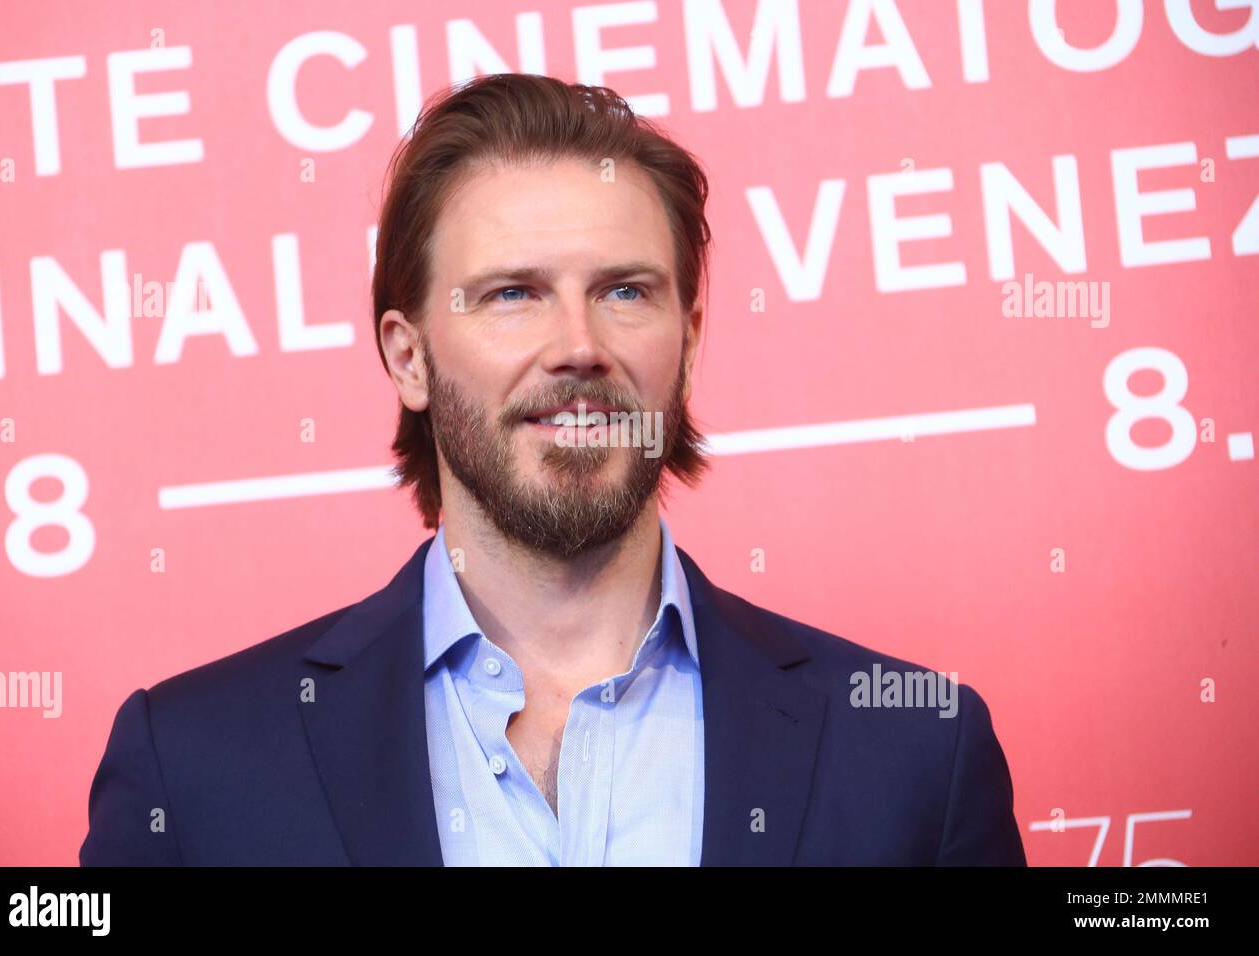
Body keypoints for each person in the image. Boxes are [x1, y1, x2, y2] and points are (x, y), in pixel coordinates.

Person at [80, 73, 1026, 866]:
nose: (578, 346)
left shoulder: (915, 750)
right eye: (512, 294)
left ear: (689, 344)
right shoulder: (194, 764)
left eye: (625, 290)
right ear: (408, 358)